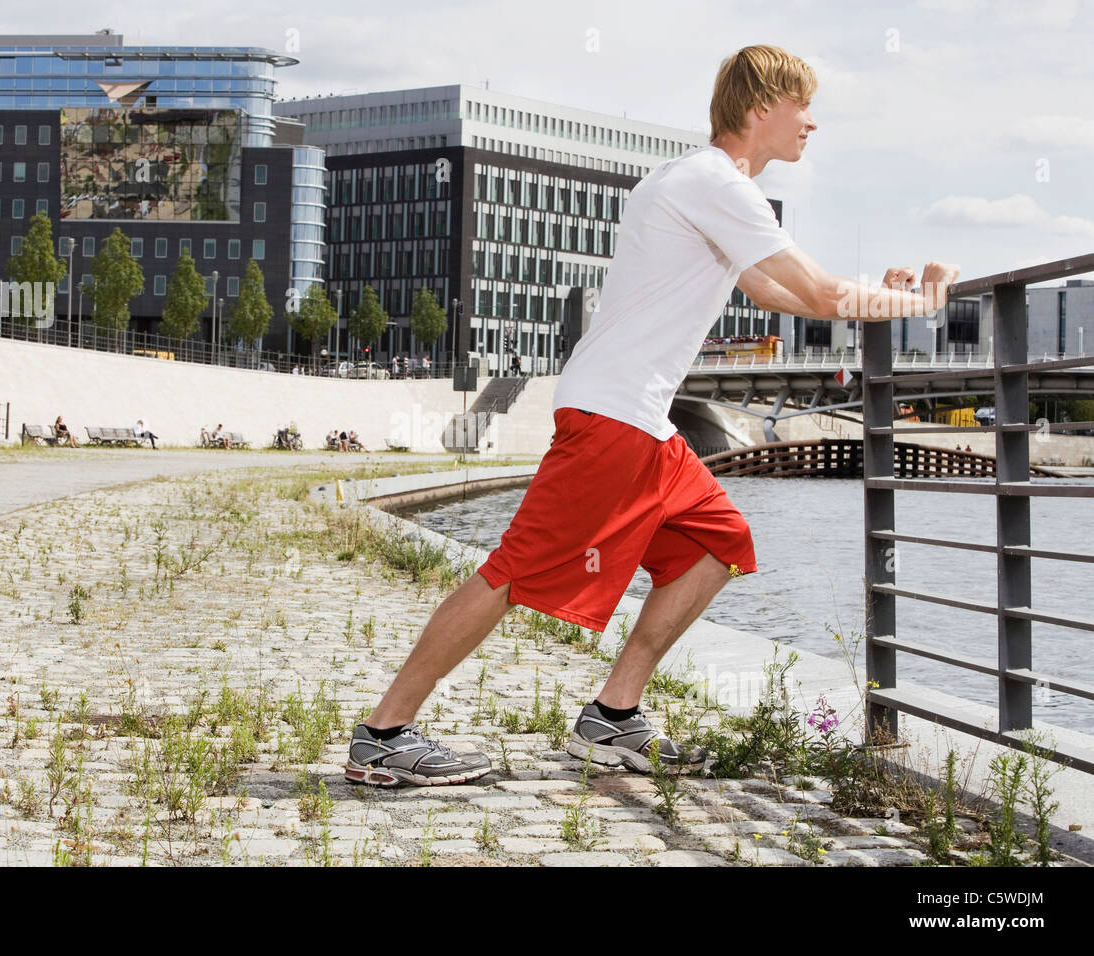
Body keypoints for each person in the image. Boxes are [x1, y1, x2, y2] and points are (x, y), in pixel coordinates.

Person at [343, 43, 960, 788]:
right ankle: (384, 733)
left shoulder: (704, 185)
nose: (813, 123)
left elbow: (777, 294)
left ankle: (612, 717)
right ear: (762, 107)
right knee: (514, 572)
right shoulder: (714, 183)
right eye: (804, 105)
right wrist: (921, 301)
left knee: (717, 543)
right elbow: (823, 296)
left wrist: (878, 294)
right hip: (614, 416)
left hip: (641, 419)